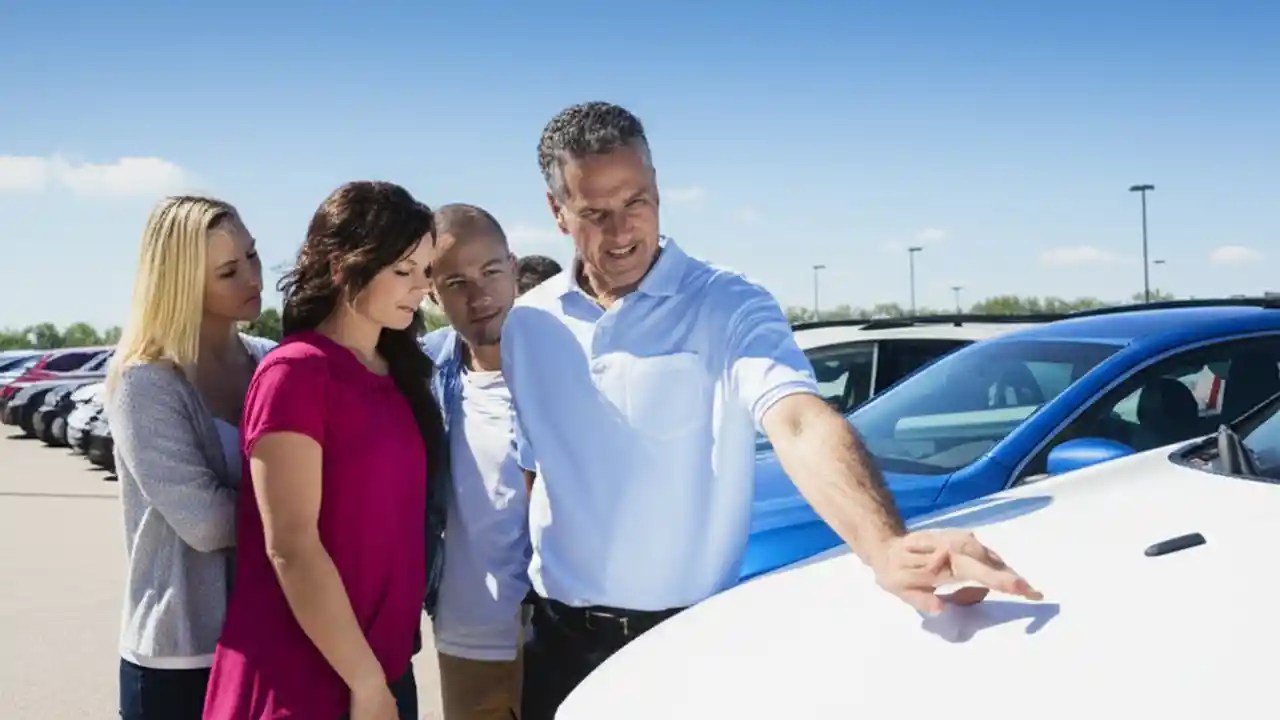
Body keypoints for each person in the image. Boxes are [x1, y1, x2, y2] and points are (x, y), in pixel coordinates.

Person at [502, 101, 1044, 719]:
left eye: (638, 202)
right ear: (556, 212)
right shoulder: (528, 325)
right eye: (596, 213)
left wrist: (885, 546)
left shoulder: (728, 304)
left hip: (680, 640)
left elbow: (798, 420)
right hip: (554, 640)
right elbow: (534, 468)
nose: (623, 231)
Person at [202, 181, 448, 720]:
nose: (421, 289)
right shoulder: (296, 373)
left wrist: (378, 680)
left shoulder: (398, 372)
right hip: (306, 678)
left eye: (426, 271)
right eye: (402, 271)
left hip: (382, 672)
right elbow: (290, 544)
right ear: (343, 267)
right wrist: (365, 683)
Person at [106, 195, 276, 720]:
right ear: (181, 283)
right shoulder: (145, 383)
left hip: (271, 641)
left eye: (252, 255)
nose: (252, 277)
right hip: (179, 657)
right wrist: (302, 513)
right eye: (229, 270)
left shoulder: (269, 359)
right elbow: (203, 523)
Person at [421, 204, 530, 719]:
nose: (479, 295)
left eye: (490, 271)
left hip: (559, 634)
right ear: (432, 293)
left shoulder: (571, 364)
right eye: (456, 282)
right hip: (466, 637)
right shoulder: (422, 374)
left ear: (513, 268)